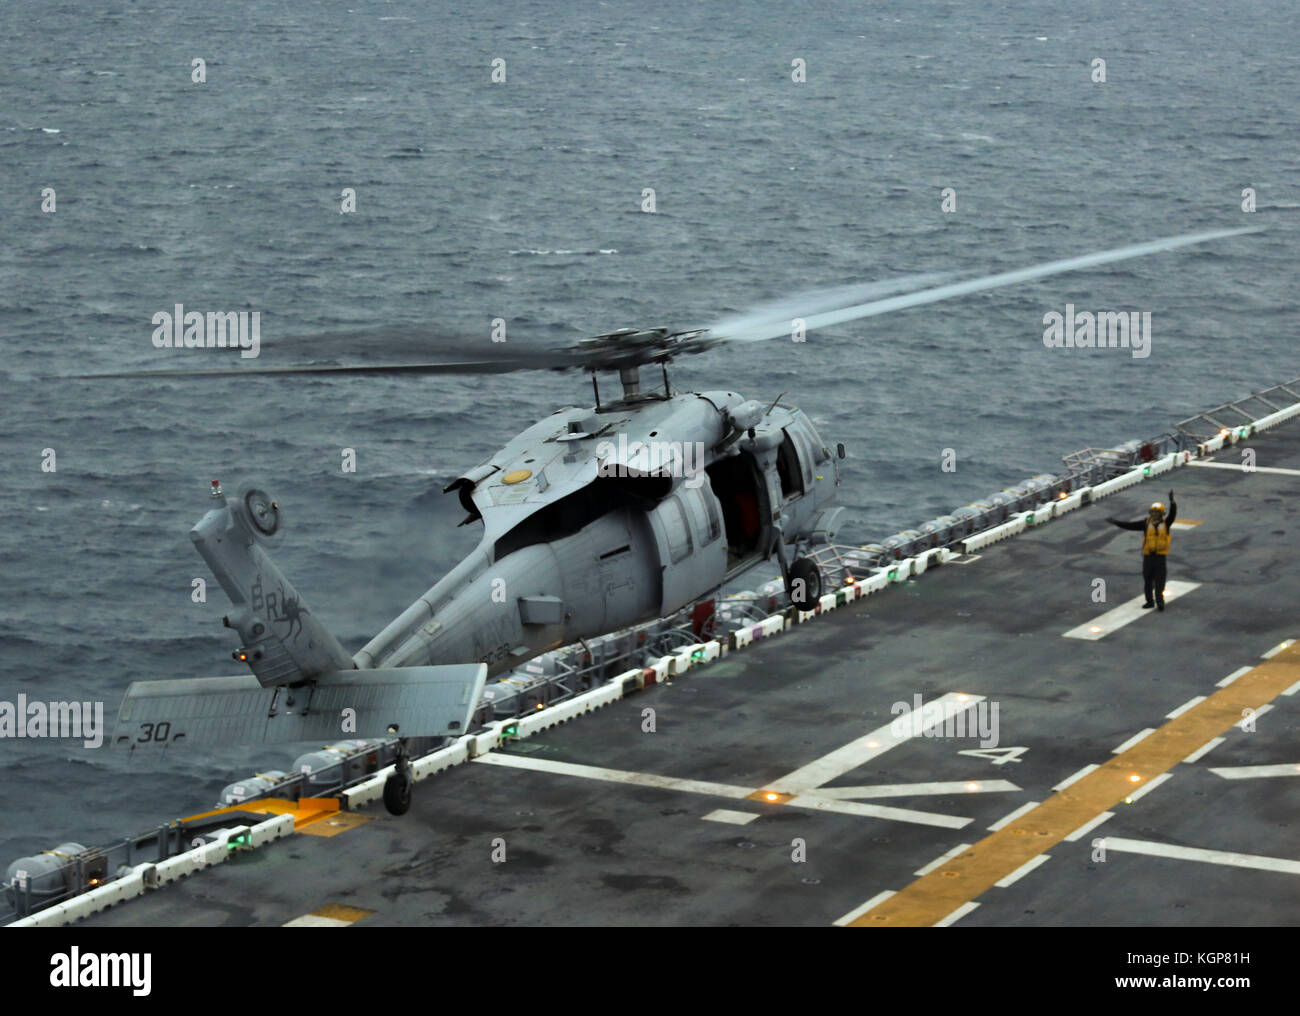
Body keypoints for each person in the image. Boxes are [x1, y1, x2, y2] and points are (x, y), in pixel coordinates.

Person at [1106, 490, 1177, 610]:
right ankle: (1149, 601)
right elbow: (1130, 525)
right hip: (1148, 557)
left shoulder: (1166, 524)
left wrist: (1172, 502)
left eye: (1157, 512)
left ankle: (1160, 602)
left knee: (1160, 582)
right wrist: (1116, 522)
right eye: (1153, 512)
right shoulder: (1145, 524)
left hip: (1160, 557)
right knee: (1148, 581)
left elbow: (1173, 515)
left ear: (1161, 514)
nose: (1154, 514)